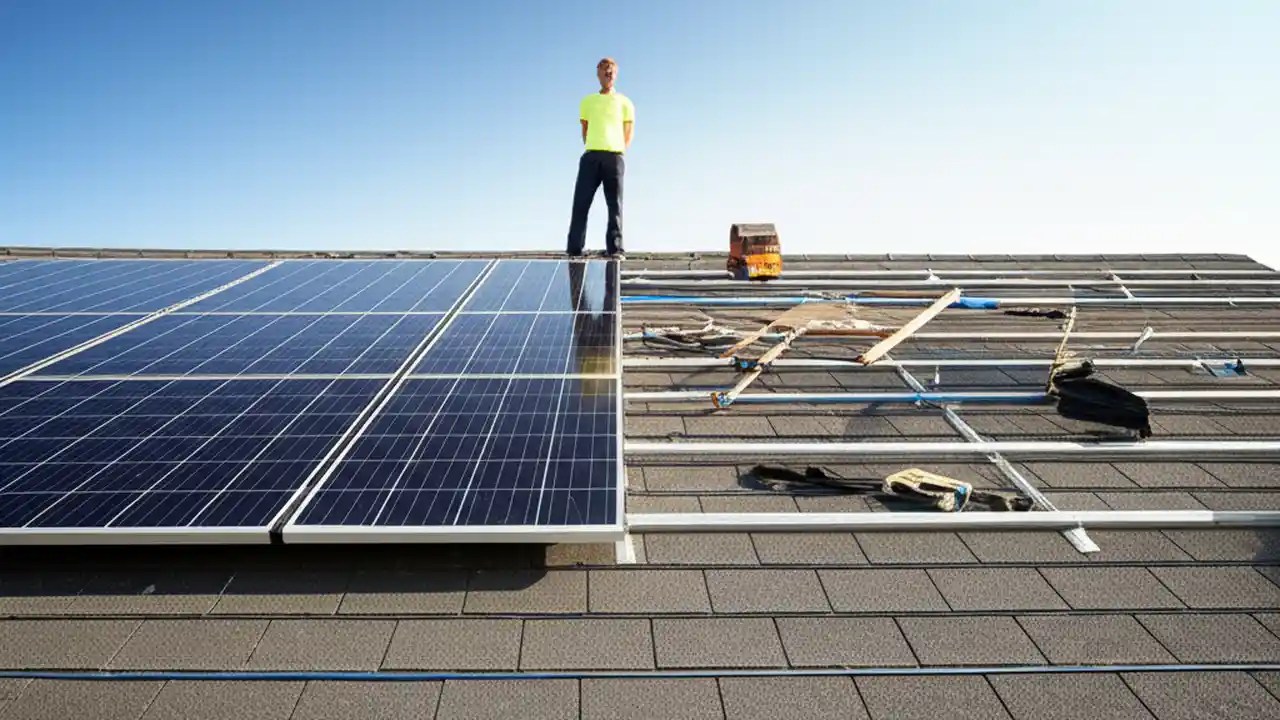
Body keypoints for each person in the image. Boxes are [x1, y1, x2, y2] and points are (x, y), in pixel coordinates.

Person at [566, 57, 634, 259]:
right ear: (598, 74)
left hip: (614, 158)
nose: (608, 73)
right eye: (605, 69)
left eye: (612, 70)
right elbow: (585, 130)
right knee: (581, 202)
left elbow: (628, 132)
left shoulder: (625, 103)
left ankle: (615, 249)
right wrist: (595, 146)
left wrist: (617, 149)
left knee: (615, 205)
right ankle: (575, 248)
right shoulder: (587, 101)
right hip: (591, 157)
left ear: (616, 74)